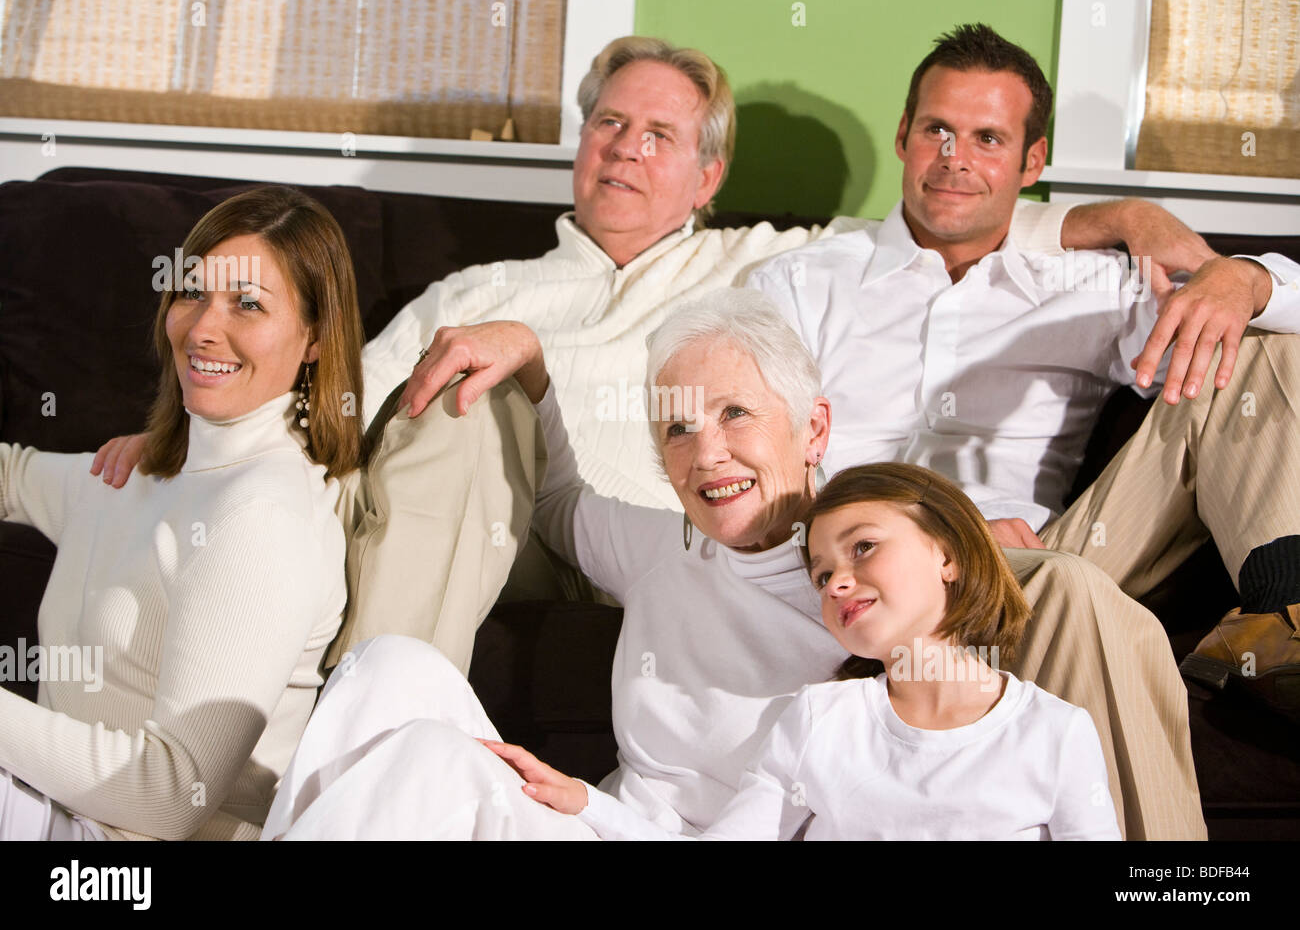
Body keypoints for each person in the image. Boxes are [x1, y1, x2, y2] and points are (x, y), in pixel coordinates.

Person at [92, 38, 1224, 674]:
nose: (626, 150)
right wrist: (208, 442)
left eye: (660, 135)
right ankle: (379, 718)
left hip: (682, 533)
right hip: (520, 527)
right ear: (576, 145)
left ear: (707, 176)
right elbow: (345, 402)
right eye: (607, 127)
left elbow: (955, 213)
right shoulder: (473, 291)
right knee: (454, 395)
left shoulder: (758, 262)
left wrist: (1130, 218)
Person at [261, 290, 1191, 841]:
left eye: (736, 415)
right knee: (391, 670)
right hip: (600, 826)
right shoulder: (662, 546)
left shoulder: (866, 589)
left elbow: (988, 613)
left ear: (812, 428)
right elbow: (553, 508)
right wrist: (533, 361)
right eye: (677, 429)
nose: (706, 453)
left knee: (426, 761)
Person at [744, 23, 1300, 722]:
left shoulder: (1087, 287)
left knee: (1255, 340)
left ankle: (1285, 620)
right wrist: (945, 531)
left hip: (1038, 571)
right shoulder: (798, 286)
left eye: (988, 139)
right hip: (858, 579)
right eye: (937, 130)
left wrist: (1245, 278)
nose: (954, 158)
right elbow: (753, 460)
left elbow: (1270, 321)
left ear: (1031, 161)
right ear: (903, 137)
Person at [0, 186, 365, 840]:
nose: (201, 328)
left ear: (314, 337)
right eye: (192, 292)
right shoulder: (141, 471)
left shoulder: (265, 517)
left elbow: (170, 796)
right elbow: (12, 476)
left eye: (247, 305)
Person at [490, 463, 1121, 841]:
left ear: (948, 553)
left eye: (864, 547)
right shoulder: (823, 719)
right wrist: (587, 802)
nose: (838, 580)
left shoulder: (1055, 732)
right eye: (821, 575)